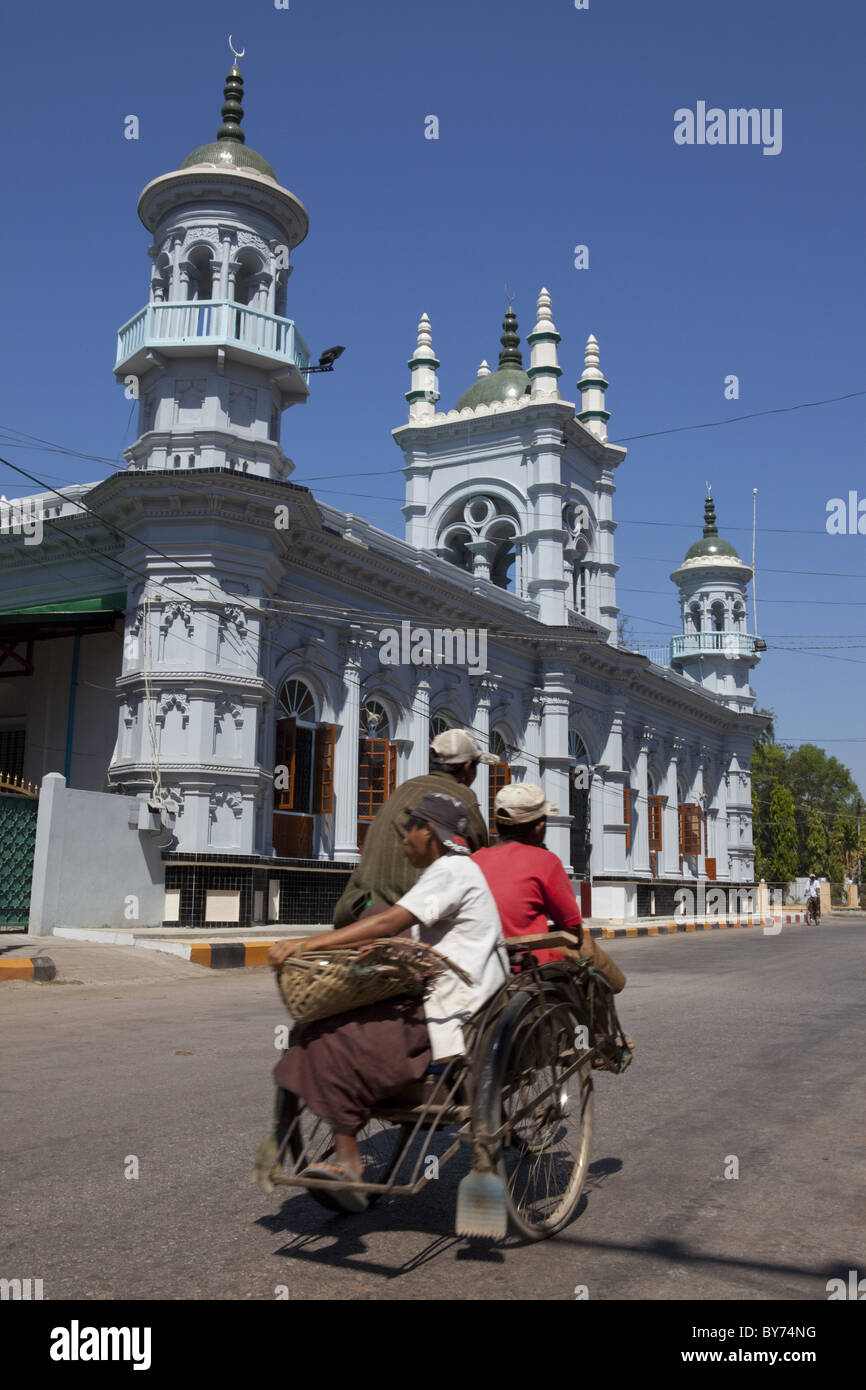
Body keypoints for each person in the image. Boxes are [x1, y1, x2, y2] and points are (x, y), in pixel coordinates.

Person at [266, 793, 508, 1210]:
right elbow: (407, 929)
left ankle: (349, 1161)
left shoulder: (452, 870)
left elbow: (392, 921)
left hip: (453, 1003)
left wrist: (305, 944)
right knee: (323, 1028)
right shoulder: (445, 870)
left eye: (408, 832)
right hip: (434, 987)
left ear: (427, 831)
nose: (403, 843)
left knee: (332, 1036)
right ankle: (347, 1151)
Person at [332, 728, 496, 928]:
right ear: (468, 766)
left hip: (356, 907)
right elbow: (479, 860)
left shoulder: (403, 788)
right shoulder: (463, 798)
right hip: (406, 919)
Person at [472, 782, 626, 993]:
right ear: (539, 827)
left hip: (480, 961)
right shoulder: (545, 861)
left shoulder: (474, 860)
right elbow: (572, 927)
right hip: (527, 963)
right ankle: (600, 1018)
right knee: (584, 946)